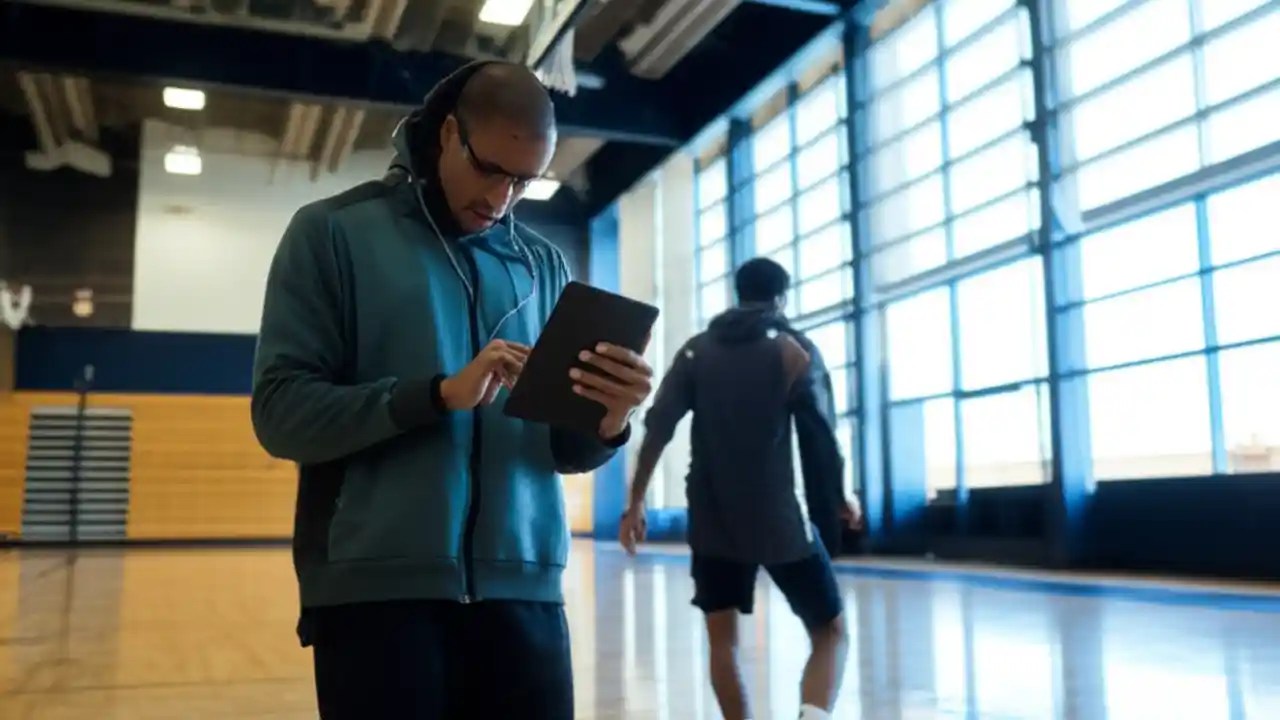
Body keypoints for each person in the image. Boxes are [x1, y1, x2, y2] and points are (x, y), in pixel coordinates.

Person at [251, 61, 654, 719]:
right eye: (491, 169)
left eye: (524, 181)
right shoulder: (331, 234)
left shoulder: (544, 266)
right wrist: (435, 394)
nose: (502, 199)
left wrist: (608, 420)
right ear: (445, 136)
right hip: (377, 596)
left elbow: (561, 451)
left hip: (525, 593)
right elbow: (281, 414)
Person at [619, 257, 861, 720]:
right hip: (778, 516)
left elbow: (658, 428)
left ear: (737, 291)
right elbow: (822, 432)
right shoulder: (793, 350)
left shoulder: (697, 351)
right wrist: (840, 496)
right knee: (830, 631)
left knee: (722, 640)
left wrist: (636, 502)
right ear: (781, 297)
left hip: (712, 517)